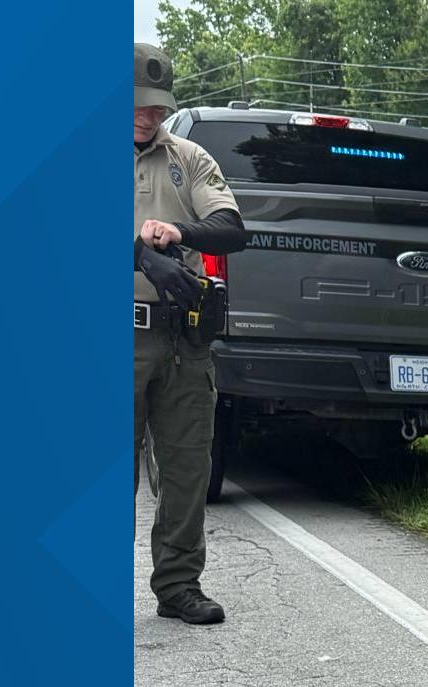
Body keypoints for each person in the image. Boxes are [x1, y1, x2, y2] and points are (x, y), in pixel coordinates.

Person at [133, 43, 248, 625]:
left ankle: (178, 584)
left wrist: (176, 234)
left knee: (185, 467)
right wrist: (137, 254)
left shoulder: (190, 156)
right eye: (135, 104)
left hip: (182, 340)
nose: (146, 116)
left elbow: (230, 227)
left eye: (156, 107)